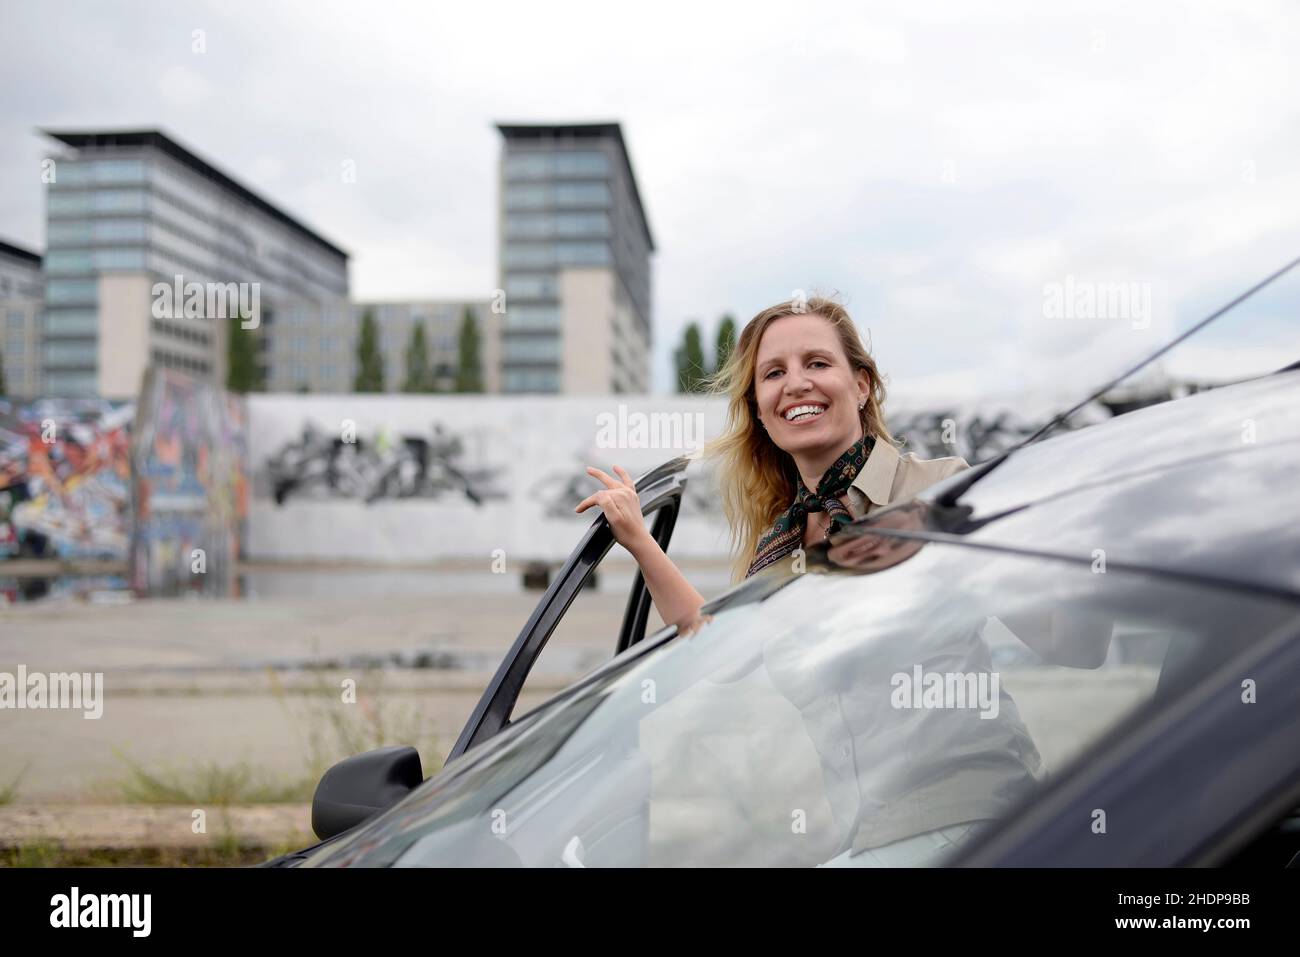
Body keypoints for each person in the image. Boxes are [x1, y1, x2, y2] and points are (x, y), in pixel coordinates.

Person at [576, 294, 970, 626]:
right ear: (761, 412)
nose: (796, 384)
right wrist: (640, 541)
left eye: (817, 363)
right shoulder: (780, 543)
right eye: (774, 372)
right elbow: (720, 649)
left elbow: (1026, 610)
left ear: (861, 385)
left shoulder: (941, 487)